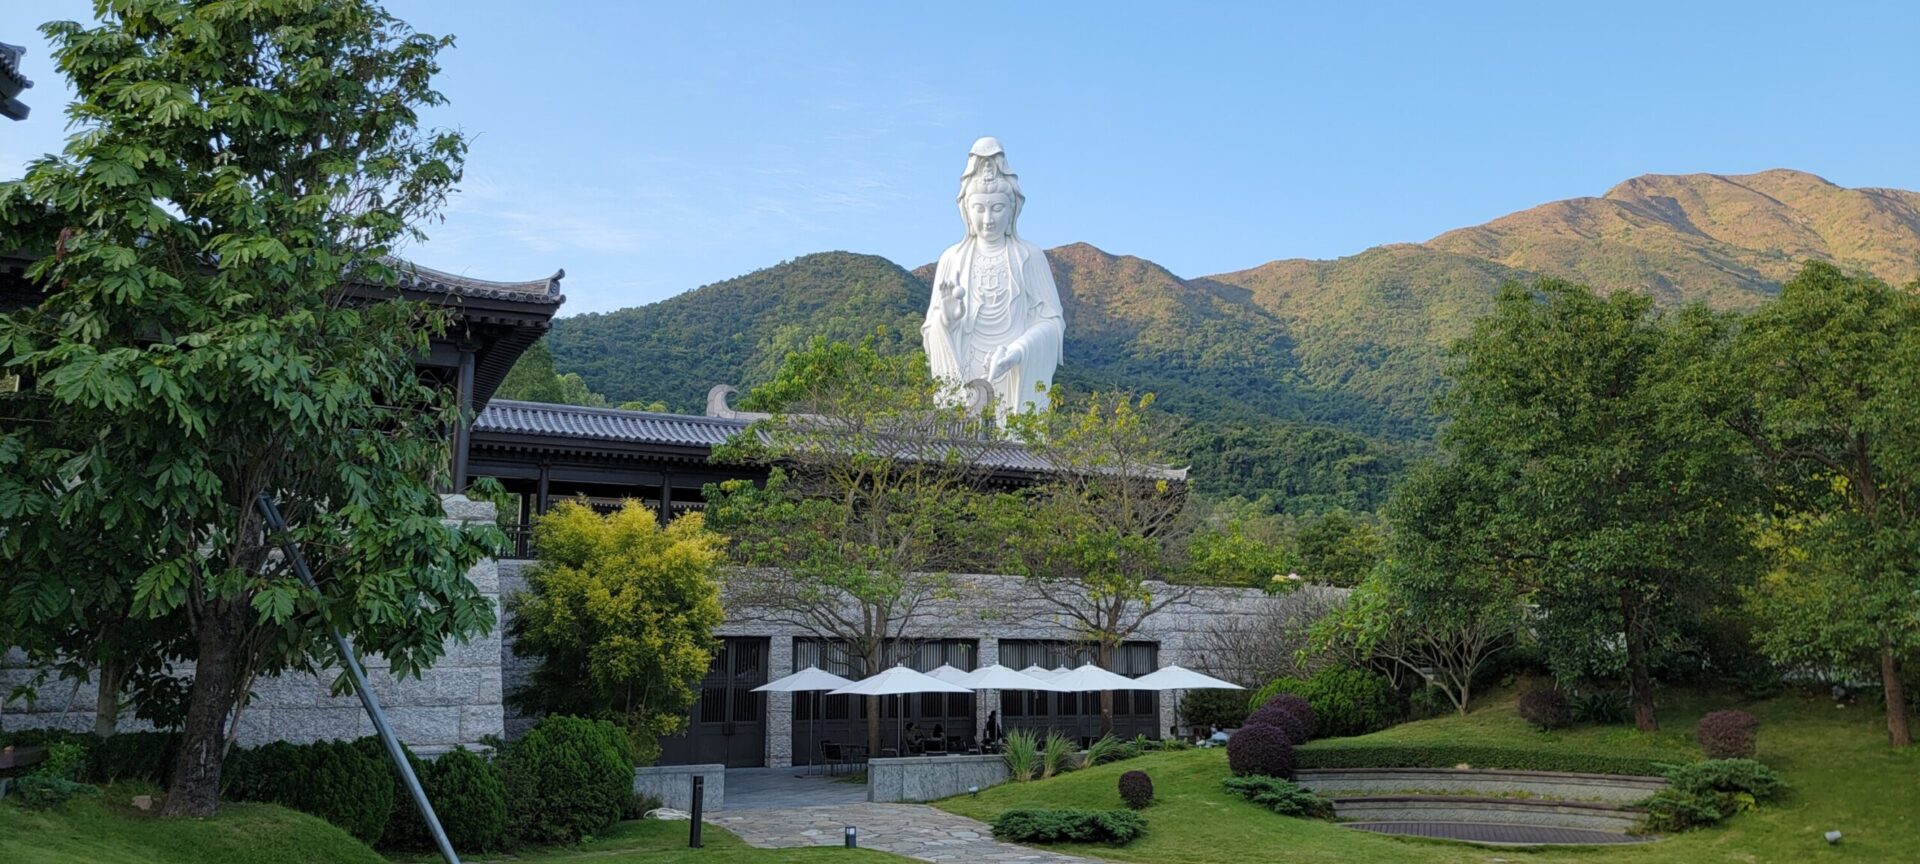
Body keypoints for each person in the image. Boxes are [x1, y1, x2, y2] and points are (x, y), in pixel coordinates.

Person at [921, 137, 1065, 423]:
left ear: (1012, 210)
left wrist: (1017, 352)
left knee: (1013, 449)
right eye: (979, 209)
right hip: (967, 371)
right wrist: (946, 322)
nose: (988, 219)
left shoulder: (1030, 256)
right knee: (964, 448)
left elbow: (1052, 324)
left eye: (997, 209)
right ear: (966, 211)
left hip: (1014, 378)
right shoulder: (952, 258)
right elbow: (931, 328)